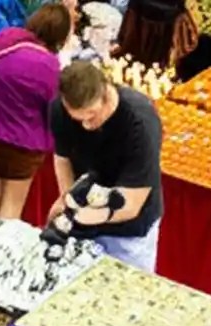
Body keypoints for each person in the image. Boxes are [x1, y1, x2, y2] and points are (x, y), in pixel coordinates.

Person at [48, 60, 162, 271]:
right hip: (85, 221)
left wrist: (84, 215)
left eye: (91, 116)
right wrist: (67, 198)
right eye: (77, 119)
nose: (85, 125)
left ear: (107, 95)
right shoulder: (59, 110)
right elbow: (62, 158)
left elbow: (132, 203)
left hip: (128, 234)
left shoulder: (140, 123)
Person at [0, 4, 71, 219]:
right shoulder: (51, 67)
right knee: (12, 207)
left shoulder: (6, 39)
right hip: (24, 146)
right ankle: (0, 250)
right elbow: (53, 111)